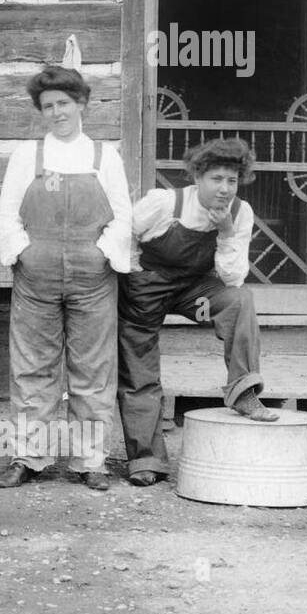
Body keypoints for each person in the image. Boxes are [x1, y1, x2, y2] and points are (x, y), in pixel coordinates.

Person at [0, 66, 131, 491]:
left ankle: (90, 460)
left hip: (92, 278)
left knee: (92, 367)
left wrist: (101, 253)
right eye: (48, 106)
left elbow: (123, 215)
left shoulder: (104, 156)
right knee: (32, 367)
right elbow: (7, 213)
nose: (57, 113)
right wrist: (23, 253)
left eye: (64, 104)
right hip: (37, 277)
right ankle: (28, 456)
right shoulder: (27, 156)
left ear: (82, 104)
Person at [118, 138, 276, 486]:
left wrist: (225, 232)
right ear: (197, 178)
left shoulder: (239, 212)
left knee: (239, 301)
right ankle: (147, 459)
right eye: (216, 179)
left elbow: (232, 278)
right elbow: (125, 232)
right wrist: (134, 274)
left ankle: (243, 392)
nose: (224, 189)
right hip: (149, 283)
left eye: (232, 181)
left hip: (196, 291)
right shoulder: (164, 202)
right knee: (137, 364)